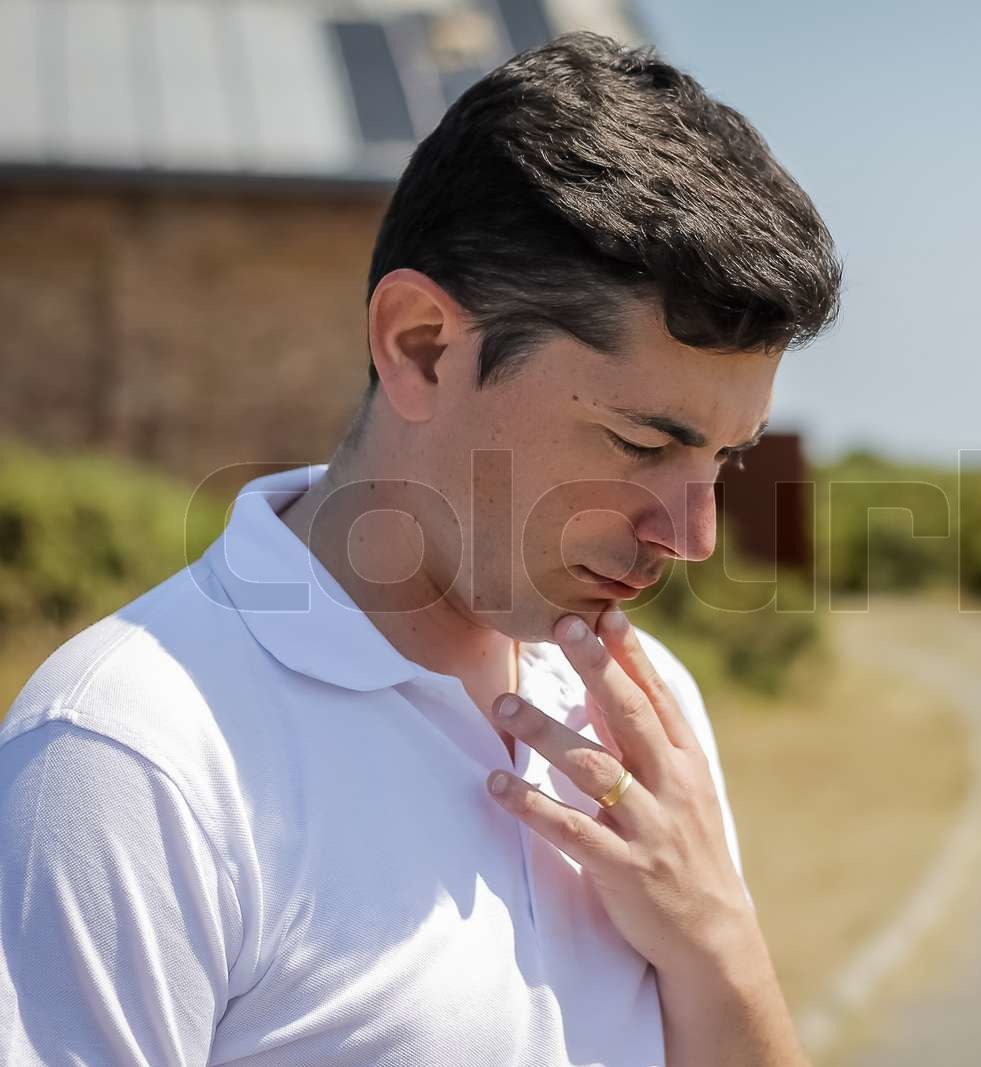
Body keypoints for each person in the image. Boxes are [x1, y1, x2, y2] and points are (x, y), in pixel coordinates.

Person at [0, 33, 840, 1066]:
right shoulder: (128, 754)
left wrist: (723, 949)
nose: (695, 535)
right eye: (642, 443)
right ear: (420, 346)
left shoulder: (643, 705)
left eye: (725, 458)